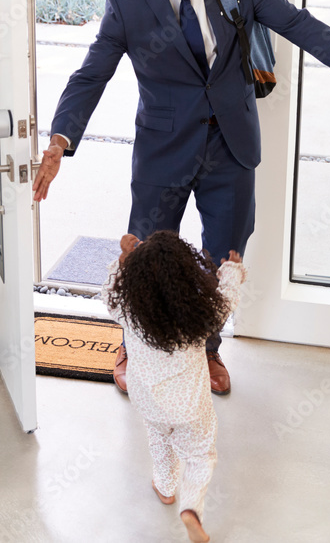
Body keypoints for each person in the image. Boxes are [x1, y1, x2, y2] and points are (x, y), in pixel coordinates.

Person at [32, 0, 330, 395]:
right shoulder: (126, 1)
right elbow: (91, 76)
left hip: (230, 146)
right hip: (163, 150)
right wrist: (59, 141)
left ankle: (207, 348)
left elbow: (297, 24)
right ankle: (135, 343)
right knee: (147, 257)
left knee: (225, 255)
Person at [101, 231, 246, 543]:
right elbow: (228, 297)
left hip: (146, 399)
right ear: (187, 272)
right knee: (200, 455)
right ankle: (190, 508)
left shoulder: (128, 313)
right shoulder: (200, 317)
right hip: (190, 406)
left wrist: (123, 260)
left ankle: (166, 487)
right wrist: (232, 270)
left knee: (159, 437)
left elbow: (108, 293)